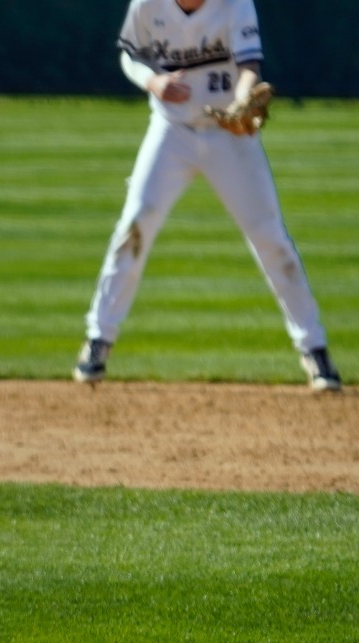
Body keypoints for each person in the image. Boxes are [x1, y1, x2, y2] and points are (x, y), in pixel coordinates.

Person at [74, 0, 342, 392]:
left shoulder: (234, 3)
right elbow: (130, 54)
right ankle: (98, 339)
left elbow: (249, 65)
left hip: (230, 134)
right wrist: (153, 82)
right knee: (135, 223)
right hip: (171, 130)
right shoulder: (147, 4)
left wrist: (241, 100)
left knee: (271, 238)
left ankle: (314, 349)